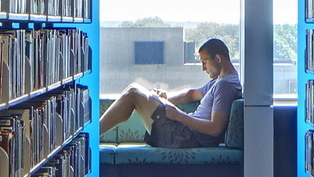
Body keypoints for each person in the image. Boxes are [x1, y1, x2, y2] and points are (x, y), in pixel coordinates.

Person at [98, 38, 242, 147]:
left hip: (185, 137)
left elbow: (215, 128)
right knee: (141, 93)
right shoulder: (220, 81)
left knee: (134, 92)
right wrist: (166, 97)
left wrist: (179, 116)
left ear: (218, 58)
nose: (203, 68)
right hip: (184, 132)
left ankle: (92, 135)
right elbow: (192, 94)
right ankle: (94, 134)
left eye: (205, 62)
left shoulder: (225, 86)